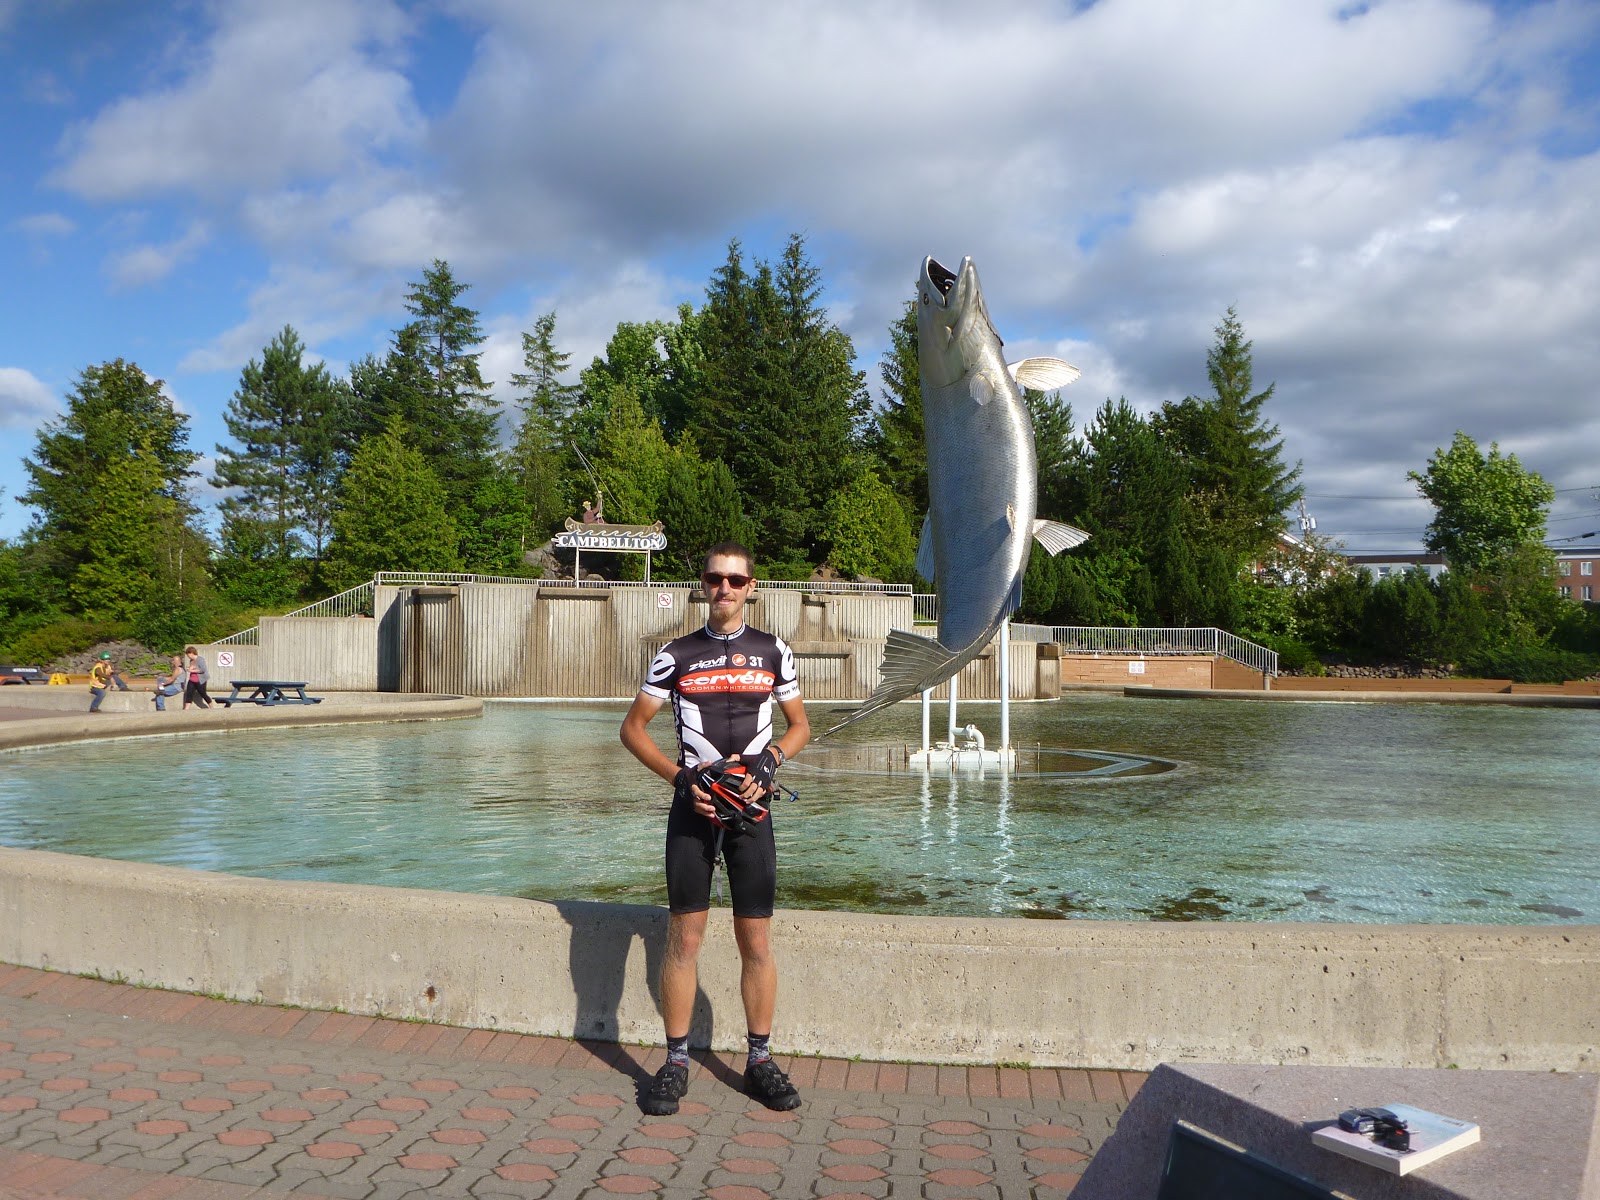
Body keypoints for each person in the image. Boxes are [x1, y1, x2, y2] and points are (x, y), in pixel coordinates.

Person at [619, 543, 810, 1116]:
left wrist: (772, 761)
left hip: (753, 811)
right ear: (703, 585)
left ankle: (759, 1060)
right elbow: (632, 730)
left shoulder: (774, 651)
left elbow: (799, 725)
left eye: (735, 580)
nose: (724, 588)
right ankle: (675, 1063)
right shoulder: (675, 654)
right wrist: (681, 780)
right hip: (693, 813)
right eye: (714, 579)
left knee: (756, 942)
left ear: (752, 586)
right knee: (685, 942)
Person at [182, 645, 213, 709]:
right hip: (192, 680)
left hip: (200, 680)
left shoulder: (200, 660)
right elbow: (192, 668)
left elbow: (202, 670)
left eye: (188, 654)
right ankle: (186, 709)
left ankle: (211, 706)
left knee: (203, 694)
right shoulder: (191, 661)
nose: (188, 656)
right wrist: (190, 669)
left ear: (191, 653)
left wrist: (192, 670)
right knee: (189, 694)